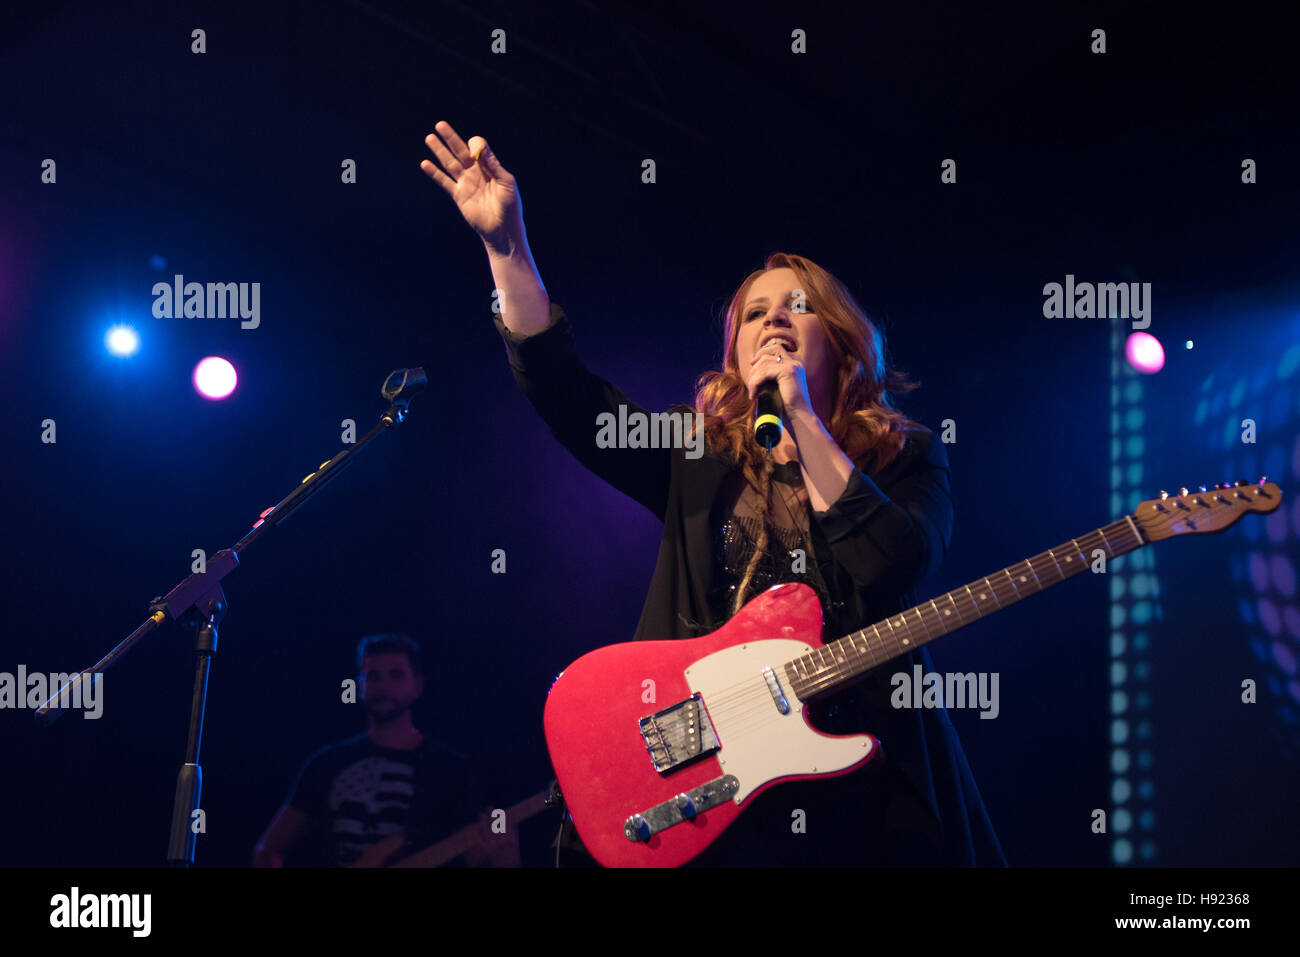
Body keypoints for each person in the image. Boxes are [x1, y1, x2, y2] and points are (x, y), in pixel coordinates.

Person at [420, 121, 1006, 867]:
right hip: (712, 780)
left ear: (842, 339)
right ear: (733, 348)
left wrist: (800, 418)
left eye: (796, 306)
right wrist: (508, 248)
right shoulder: (695, 454)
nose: (773, 320)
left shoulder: (907, 455)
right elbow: (574, 401)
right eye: (756, 312)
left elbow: (893, 567)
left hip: (860, 799)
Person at [252, 633, 518, 867]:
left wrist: (505, 859)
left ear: (418, 686)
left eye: (396, 675)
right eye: (373, 676)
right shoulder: (326, 764)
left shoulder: (450, 768)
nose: (383, 686)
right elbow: (268, 851)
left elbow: (474, 855)